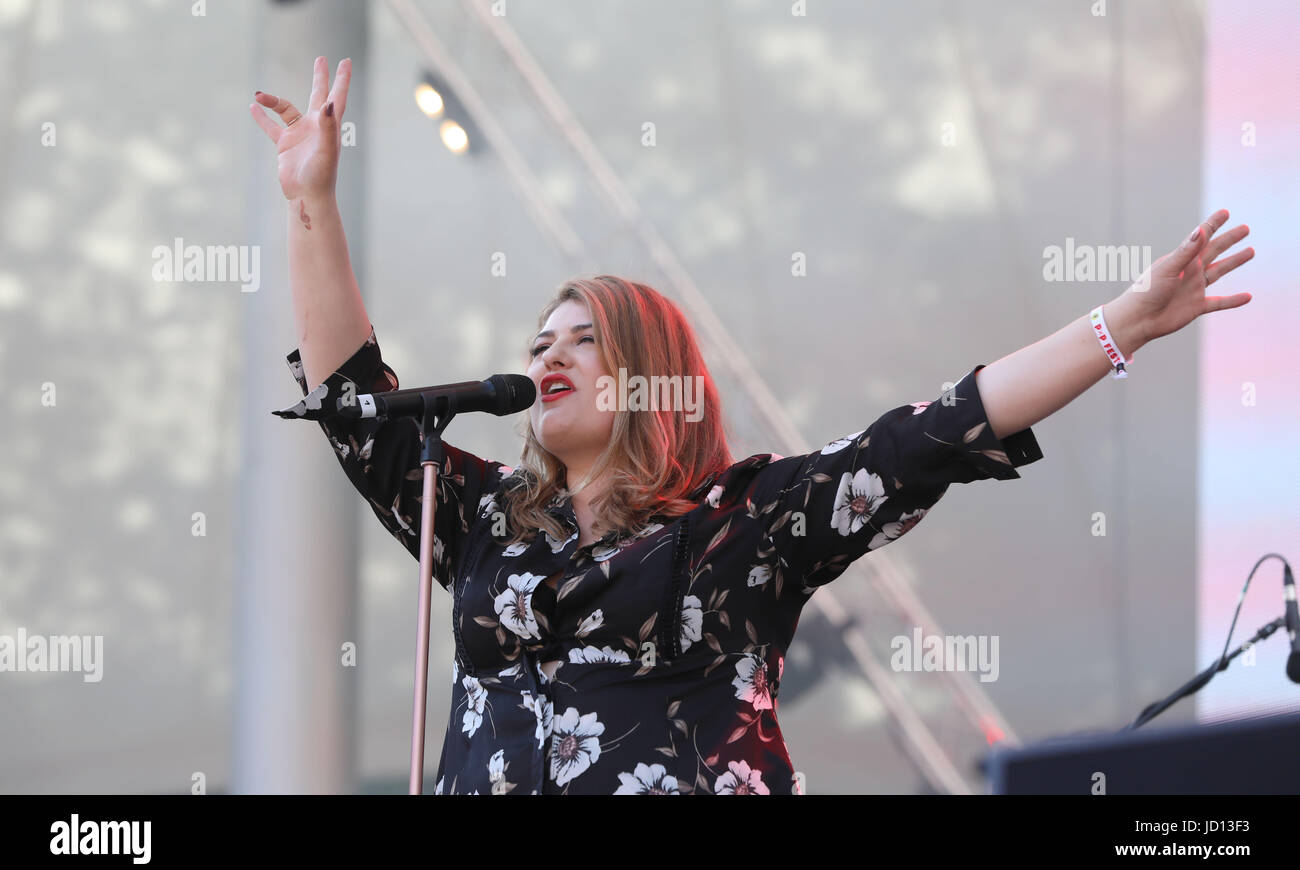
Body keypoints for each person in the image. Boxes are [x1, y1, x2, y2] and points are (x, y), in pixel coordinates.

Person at [251, 58, 1256, 795]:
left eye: (584, 341)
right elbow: (359, 410)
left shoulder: (739, 526)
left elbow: (938, 428)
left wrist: (1121, 322)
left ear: (651, 379)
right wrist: (312, 203)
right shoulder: (481, 519)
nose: (546, 357)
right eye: (539, 339)